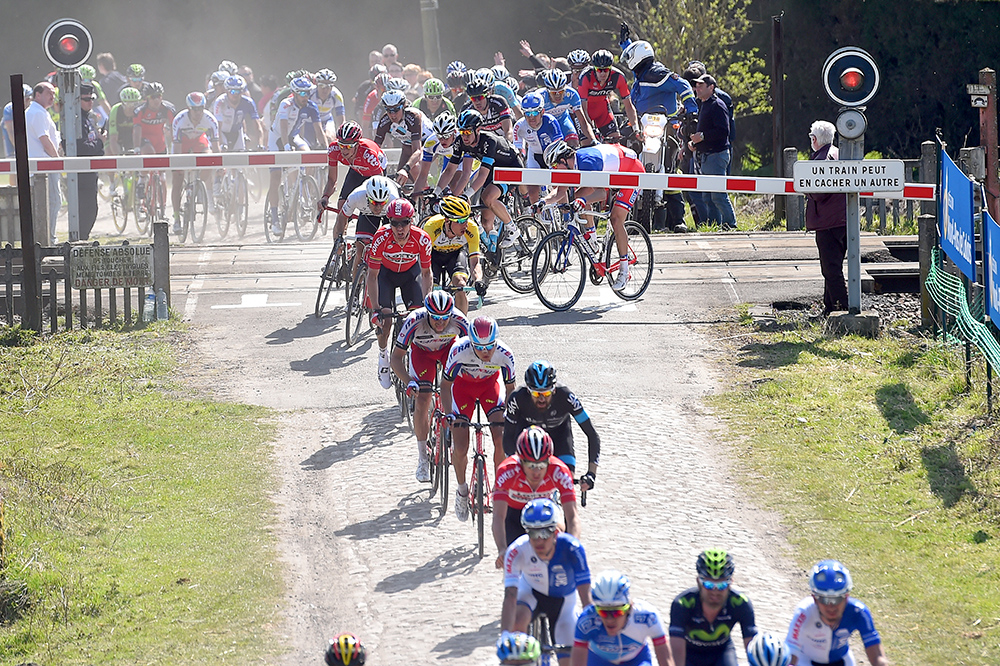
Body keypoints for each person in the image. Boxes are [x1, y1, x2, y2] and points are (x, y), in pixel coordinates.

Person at [440, 315, 516, 521]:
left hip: (489, 390)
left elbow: (510, 390)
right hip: (462, 390)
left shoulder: (505, 354)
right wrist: (449, 414)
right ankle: (462, 490)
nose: (485, 352)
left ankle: (500, 491)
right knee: (461, 446)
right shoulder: (458, 351)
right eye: (479, 347)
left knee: (501, 438)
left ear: (496, 341)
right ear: (471, 342)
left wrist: (509, 417)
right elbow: (445, 386)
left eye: (490, 346)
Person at [542, 139, 643, 291]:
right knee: (577, 197)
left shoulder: (588, 162)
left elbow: (601, 193)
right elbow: (560, 192)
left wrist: (583, 200)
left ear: (564, 159)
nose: (554, 169)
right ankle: (593, 240)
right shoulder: (570, 165)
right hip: (614, 171)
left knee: (616, 219)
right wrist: (541, 203)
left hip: (632, 172)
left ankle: (624, 270)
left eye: (555, 166)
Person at [390, 289, 470, 481]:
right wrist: (409, 382)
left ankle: (452, 422)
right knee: (423, 398)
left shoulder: (459, 320)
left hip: (448, 350)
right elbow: (396, 358)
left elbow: (471, 353)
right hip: (422, 353)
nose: (441, 323)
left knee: (458, 387)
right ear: (427, 313)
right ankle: (422, 458)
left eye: (445, 318)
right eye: (435, 318)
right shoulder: (414, 320)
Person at [501, 498, 592, 665]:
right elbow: (510, 597)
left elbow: (586, 596)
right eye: (532, 533)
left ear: (555, 532)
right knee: (516, 626)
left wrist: (594, 629)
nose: (538, 540)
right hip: (531, 594)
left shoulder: (572, 548)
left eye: (544, 533)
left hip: (563, 602)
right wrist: (506, 635)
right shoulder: (516, 550)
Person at [437, 109, 523, 255]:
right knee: (485, 220)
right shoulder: (462, 142)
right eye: (461, 131)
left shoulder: (489, 141)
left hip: (511, 167)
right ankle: (493, 250)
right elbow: (456, 172)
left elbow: (482, 175)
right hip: (493, 169)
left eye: (467, 132)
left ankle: (512, 228)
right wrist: (439, 193)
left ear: (478, 130)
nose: (464, 136)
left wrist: (467, 195)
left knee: (488, 197)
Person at [367, 199, 433, 388]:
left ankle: (414, 355)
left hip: (409, 276)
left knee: (418, 317)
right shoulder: (381, 237)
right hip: (385, 276)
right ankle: (383, 356)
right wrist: (376, 310)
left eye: (404, 222)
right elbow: (372, 276)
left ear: (411, 221)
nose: (399, 228)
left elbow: (427, 273)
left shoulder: (422, 238)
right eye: (394, 223)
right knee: (386, 319)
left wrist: (427, 302)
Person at [503, 360, 599, 486]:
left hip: (560, 436)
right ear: (528, 390)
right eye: (536, 393)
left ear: (554, 390)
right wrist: (512, 466)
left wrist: (591, 473)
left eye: (546, 393)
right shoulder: (517, 398)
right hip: (527, 440)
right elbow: (508, 436)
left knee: (567, 482)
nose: (542, 398)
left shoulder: (566, 396)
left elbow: (592, 434)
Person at [492, 426, 580, 560]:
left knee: (559, 549)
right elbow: (498, 516)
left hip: (545, 513)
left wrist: (573, 545)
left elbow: (572, 516)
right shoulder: (507, 471)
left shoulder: (559, 470)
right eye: (531, 466)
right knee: (514, 561)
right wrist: (502, 550)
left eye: (542, 465)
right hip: (515, 516)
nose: (536, 472)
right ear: (520, 461)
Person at [784, 560, 887, 666]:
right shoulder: (804, 612)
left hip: (842, 661)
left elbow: (878, 658)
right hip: (806, 661)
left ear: (846, 597)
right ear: (814, 599)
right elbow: (791, 653)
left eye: (837, 599)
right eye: (824, 599)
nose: (831, 606)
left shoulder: (858, 612)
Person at [668, 549, 757, 666]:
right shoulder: (683, 603)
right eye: (709, 585)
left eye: (722, 585)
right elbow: (677, 649)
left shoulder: (740, 603)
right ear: (698, 582)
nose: (715, 591)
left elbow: (753, 649)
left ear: (731, 583)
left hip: (721, 652)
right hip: (689, 653)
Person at [571, 570, 675, 666]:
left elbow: (666, 659)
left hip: (635, 660)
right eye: (603, 612)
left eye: (617, 612)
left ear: (629, 607)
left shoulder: (647, 617)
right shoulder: (587, 620)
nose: (610, 619)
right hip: (599, 660)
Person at [805, 121, 849, 315]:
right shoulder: (840, 154)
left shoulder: (821, 160)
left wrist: (806, 190)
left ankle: (841, 308)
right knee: (832, 267)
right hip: (843, 219)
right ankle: (829, 308)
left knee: (831, 269)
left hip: (828, 222)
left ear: (814, 139)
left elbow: (819, 192)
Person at [688, 75, 737, 230]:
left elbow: (723, 131)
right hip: (709, 156)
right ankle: (715, 226)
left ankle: (731, 225)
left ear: (711, 87)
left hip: (716, 155)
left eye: (701, 85)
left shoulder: (717, 105)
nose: (697, 88)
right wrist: (696, 143)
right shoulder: (705, 105)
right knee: (708, 197)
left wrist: (701, 137)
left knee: (718, 195)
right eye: (696, 85)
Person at [25, 82, 61, 244]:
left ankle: (42, 238)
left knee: (42, 204)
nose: (52, 97)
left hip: (36, 166)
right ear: (37, 95)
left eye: (53, 94)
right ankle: (49, 239)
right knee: (53, 201)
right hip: (45, 166)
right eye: (48, 93)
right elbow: (44, 139)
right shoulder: (38, 114)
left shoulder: (33, 112)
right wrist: (57, 160)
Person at [576, 50, 638, 141]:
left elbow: (629, 106)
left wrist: (636, 129)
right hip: (585, 112)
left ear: (610, 68)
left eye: (606, 70)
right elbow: (583, 109)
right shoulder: (586, 77)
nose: (602, 73)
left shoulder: (618, 77)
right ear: (594, 68)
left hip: (602, 111)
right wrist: (592, 129)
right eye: (599, 70)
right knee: (588, 143)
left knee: (615, 141)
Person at [74, 84, 105, 241]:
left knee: (92, 209)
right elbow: (82, 148)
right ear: (78, 100)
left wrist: (100, 144)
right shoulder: (76, 119)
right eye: (86, 99)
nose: (90, 102)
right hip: (81, 173)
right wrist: (100, 142)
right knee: (86, 210)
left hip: (91, 171)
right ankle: (80, 240)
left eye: (92, 99)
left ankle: (83, 239)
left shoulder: (89, 117)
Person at [3, 84, 33, 158]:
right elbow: (10, 132)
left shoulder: (33, 108)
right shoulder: (9, 109)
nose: (23, 102)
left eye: (27, 99)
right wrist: (21, 151)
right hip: (12, 135)